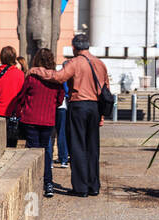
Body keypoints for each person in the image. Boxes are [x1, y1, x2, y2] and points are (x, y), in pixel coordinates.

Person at [29, 33, 110, 197]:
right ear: (88, 46)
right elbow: (106, 89)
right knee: (93, 148)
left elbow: (58, 77)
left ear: (74, 47)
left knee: (77, 146)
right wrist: (101, 115)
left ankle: (81, 187)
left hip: (79, 105)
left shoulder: (75, 62)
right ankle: (94, 185)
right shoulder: (100, 63)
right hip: (95, 107)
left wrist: (37, 70)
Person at [10, 48, 65, 198]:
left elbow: (22, 96)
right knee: (45, 150)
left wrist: (20, 109)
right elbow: (60, 100)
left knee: (32, 151)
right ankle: (48, 184)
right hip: (47, 120)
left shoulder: (31, 77)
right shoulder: (56, 80)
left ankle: (32, 183)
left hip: (31, 118)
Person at [0, 46, 25, 149]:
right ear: (14, 58)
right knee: (10, 147)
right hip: (12, 113)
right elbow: (22, 96)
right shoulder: (20, 74)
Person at [54, 71, 70, 167]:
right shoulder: (66, 78)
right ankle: (63, 158)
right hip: (63, 106)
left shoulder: (60, 77)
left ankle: (60, 158)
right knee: (61, 132)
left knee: (56, 133)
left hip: (56, 106)